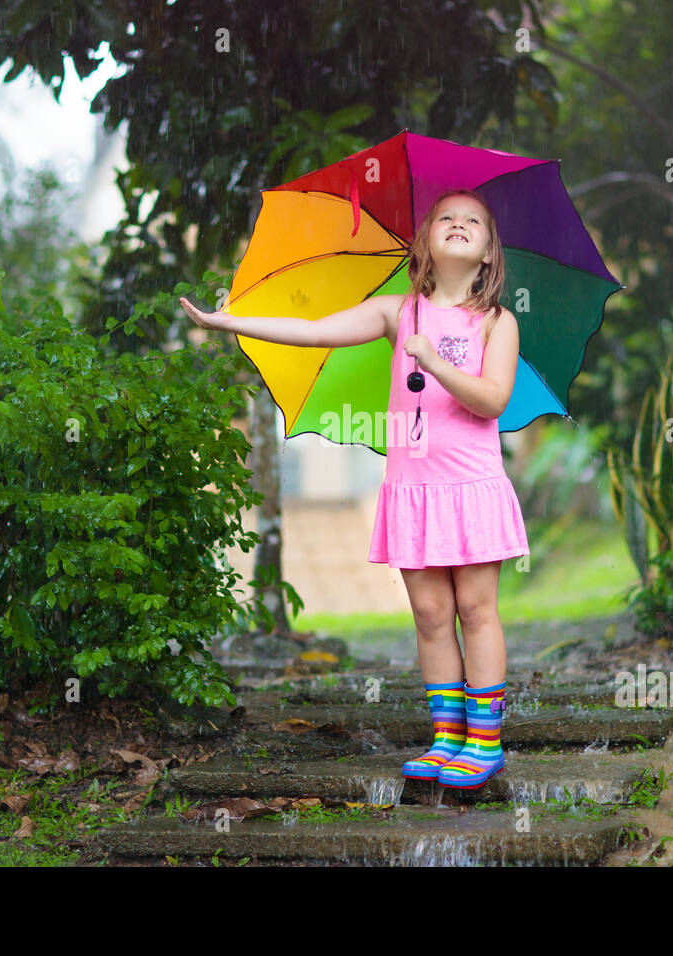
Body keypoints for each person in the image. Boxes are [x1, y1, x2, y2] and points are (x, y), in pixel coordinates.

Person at [181, 189, 528, 790]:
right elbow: (315, 331)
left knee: (475, 609)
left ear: (489, 252)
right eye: (445, 216)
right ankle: (447, 738)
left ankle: (485, 740)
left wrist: (436, 363)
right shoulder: (399, 312)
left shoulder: (498, 322)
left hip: (471, 485)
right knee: (429, 613)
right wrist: (227, 321)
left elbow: (492, 399)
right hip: (414, 486)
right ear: (424, 242)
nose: (458, 223)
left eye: (474, 219)